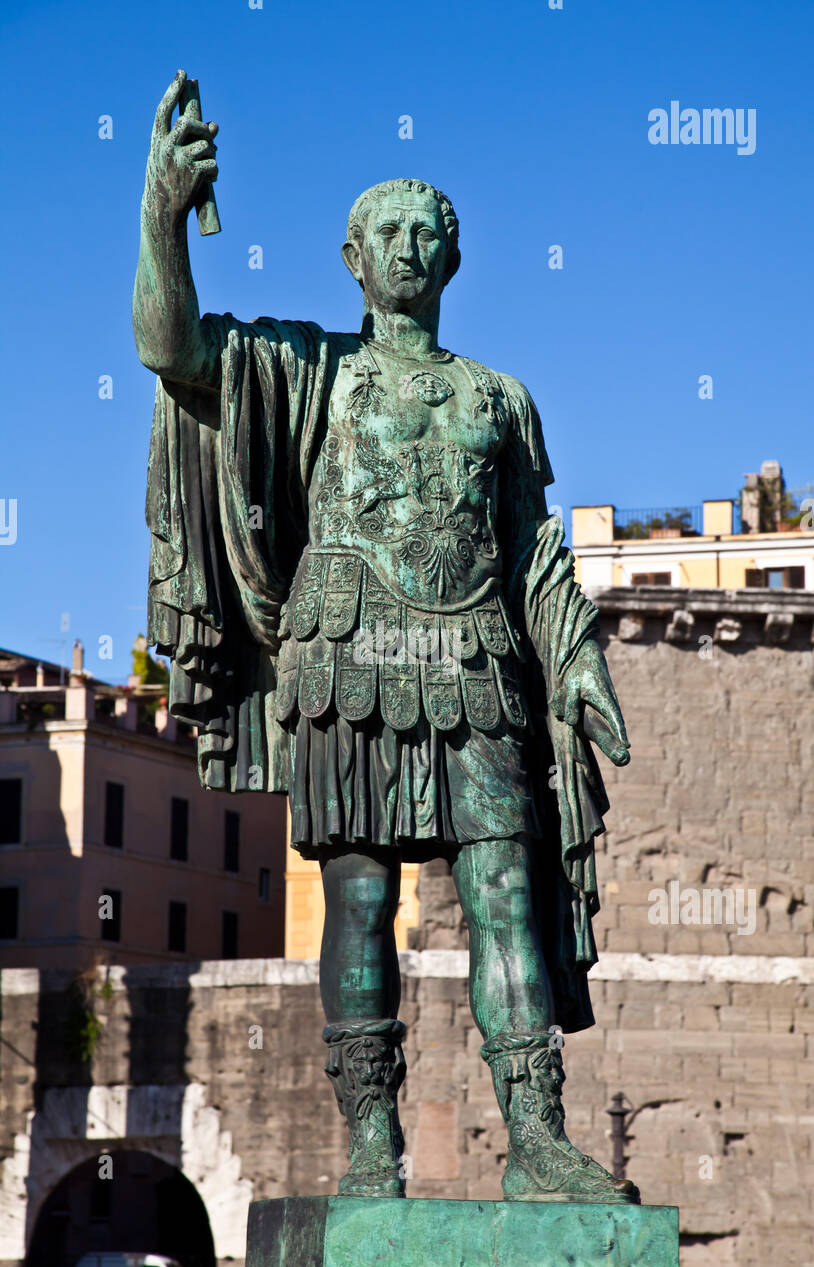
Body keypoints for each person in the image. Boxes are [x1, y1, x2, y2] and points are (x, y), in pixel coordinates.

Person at [134, 71, 639, 1206]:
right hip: (346, 659)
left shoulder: (498, 399)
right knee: (358, 898)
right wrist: (162, 218)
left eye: (429, 231)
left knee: (507, 890)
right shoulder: (306, 371)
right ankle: (372, 1148)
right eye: (387, 231)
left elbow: (532, 551)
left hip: (475, 666)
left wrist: (576, 660)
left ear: (452, 260)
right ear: (352, 260)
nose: (410, 245)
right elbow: (171, 353)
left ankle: (540, 1141)